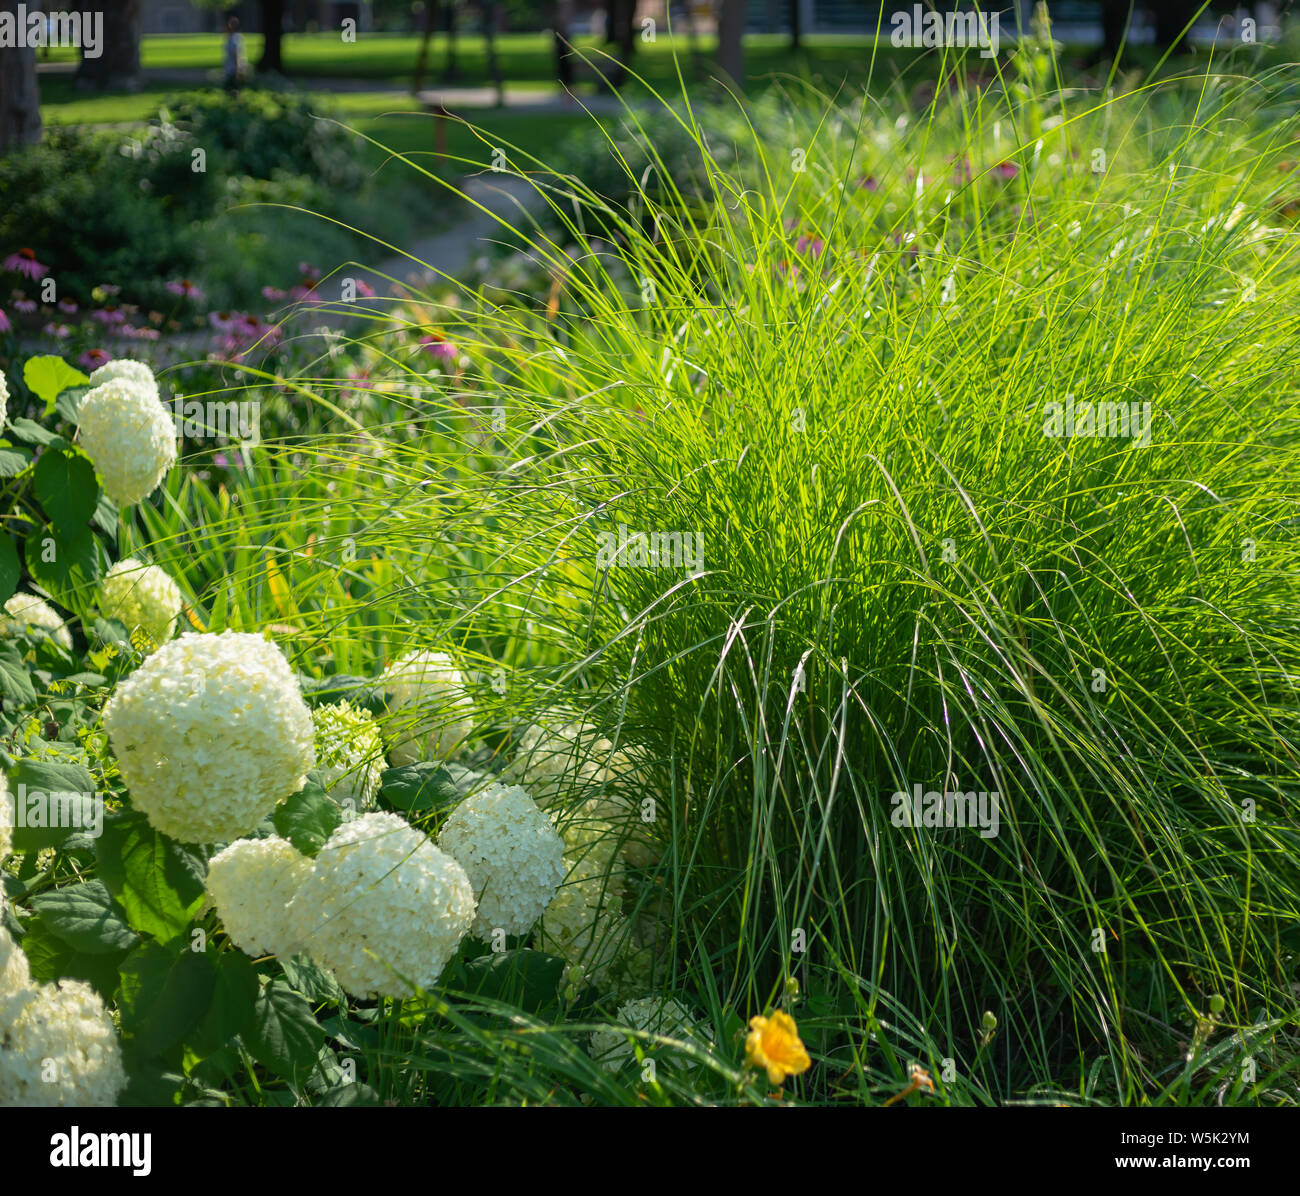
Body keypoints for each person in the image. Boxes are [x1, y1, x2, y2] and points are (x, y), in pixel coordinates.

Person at [223, 17, 246, 93]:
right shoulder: (231, 38)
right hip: (229, 68)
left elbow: (237, 55)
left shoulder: (234, 39)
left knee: (232, 89)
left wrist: (238, 69)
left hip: (233, 70)